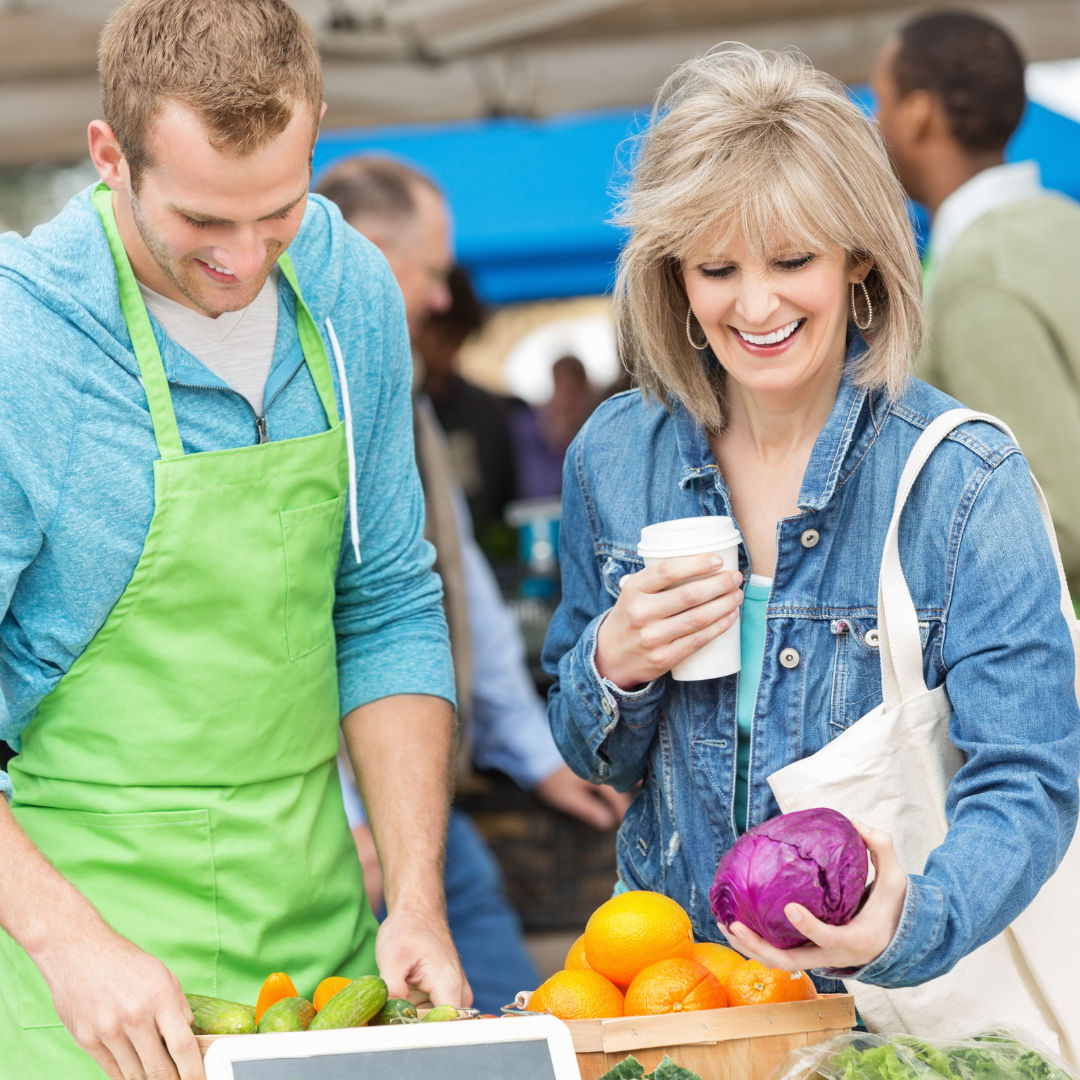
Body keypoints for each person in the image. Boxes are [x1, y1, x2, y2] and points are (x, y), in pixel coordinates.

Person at [542, 41, 1079, 996]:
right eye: (716, 269)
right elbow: (597, 755)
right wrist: (611, 665)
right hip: (681, 997)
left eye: (793, 260)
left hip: (898, 1017)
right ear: (674, 276)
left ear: (861, 261)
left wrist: (910, 918)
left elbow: (1031, 778)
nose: (755, 305)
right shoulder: (616, 458)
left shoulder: (962, 479)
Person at [0, 2, 467, 1078]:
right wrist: (73, 947)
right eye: (204, 222)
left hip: (324, 963)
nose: (244, 261)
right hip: (82, 977)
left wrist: (418, 896)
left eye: (281, 213)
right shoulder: (26, 346)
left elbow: (386, 598)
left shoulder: (350, 285)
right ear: (109, 157)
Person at [314, 154, 630, 1010]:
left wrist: (539, 757)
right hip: (324, 817)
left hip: (420, 807)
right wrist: (346, 802)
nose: (447, 299)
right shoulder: (295, 392)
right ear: (372, 255)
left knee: (505, 1004)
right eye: (434, 273)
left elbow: (452, 591)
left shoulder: (400, 391)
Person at [870, 9, 1080, 602]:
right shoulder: (1062, 224)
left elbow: (1060, 517)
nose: (873, 122)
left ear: (918, 114)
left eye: (880, 100)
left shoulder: (979, 277)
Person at [416, 265, 519, 552]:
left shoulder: (485, 411)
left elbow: (504, 502)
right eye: (442, 339)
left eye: (457, 340)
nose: (449, 354)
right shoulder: (401, 405)